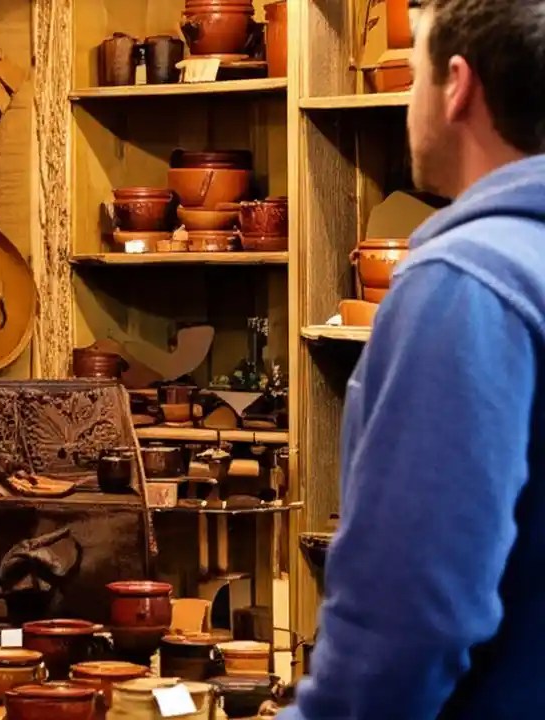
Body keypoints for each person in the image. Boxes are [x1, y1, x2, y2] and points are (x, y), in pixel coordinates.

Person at [281, 1, 545, 718]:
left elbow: (407, 621)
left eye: (413, 74)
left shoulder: (466, 284)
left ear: (456, 85)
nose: (407, 101)